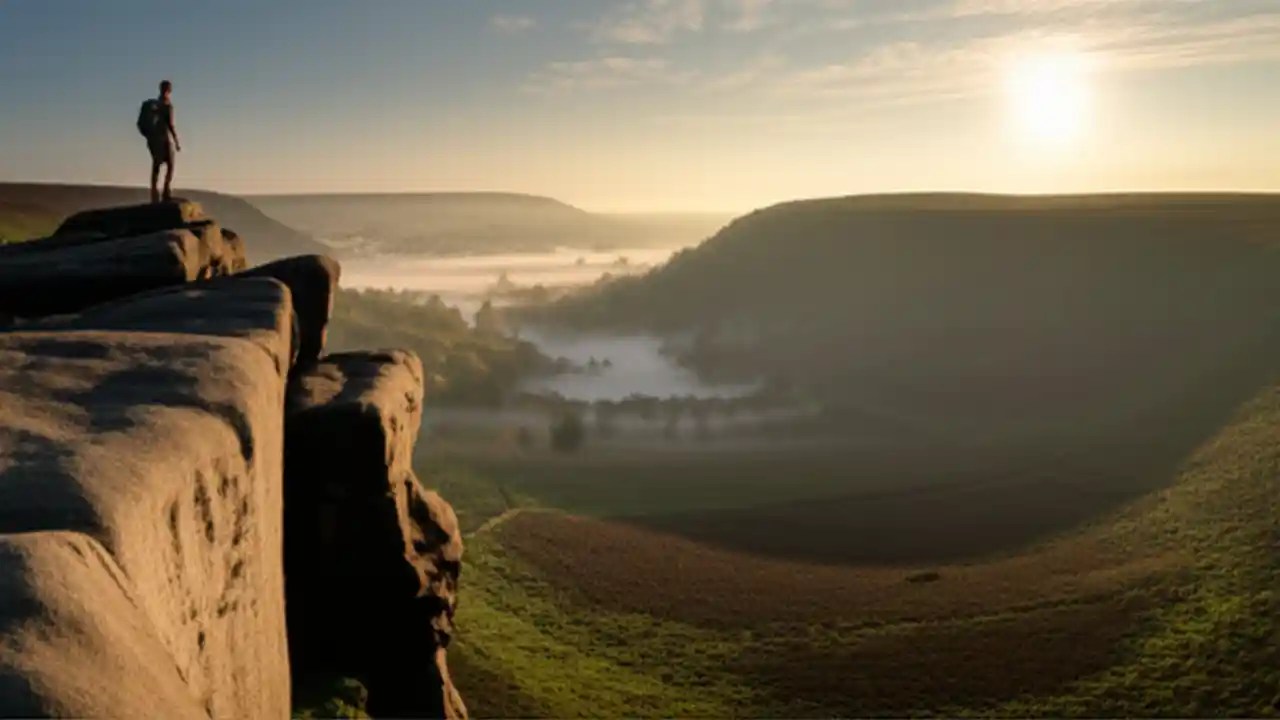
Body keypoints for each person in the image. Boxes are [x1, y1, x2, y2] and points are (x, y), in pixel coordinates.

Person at [141, 80, 181, 203]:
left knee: (157, 166)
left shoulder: (154, 104)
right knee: (168, 165)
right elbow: (170, 124)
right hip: (163, 138)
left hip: (156, 138)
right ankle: (164, 192)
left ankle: (156, 193)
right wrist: (176, 140)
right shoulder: (166, 105)